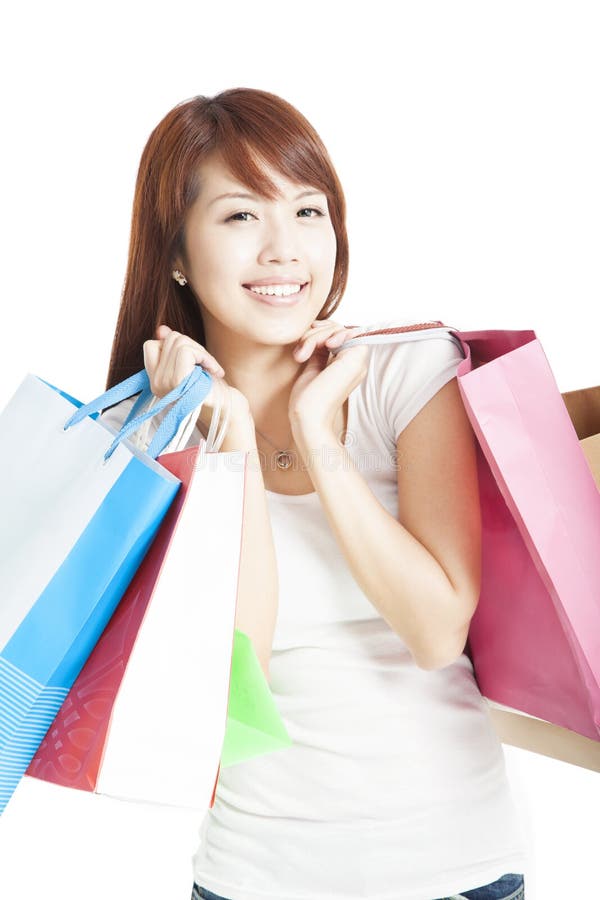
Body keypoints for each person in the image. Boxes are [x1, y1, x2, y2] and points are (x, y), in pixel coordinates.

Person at [99, 88, 528, 900]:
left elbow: (437, 631)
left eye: (307, 211)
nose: (284, 250)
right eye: (240, 216)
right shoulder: (143, 432)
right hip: (254, 875)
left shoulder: (407, 372)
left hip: (458, 867)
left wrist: (318, 433)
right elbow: (238, 687)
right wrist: (232, 449)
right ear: (177, 252)